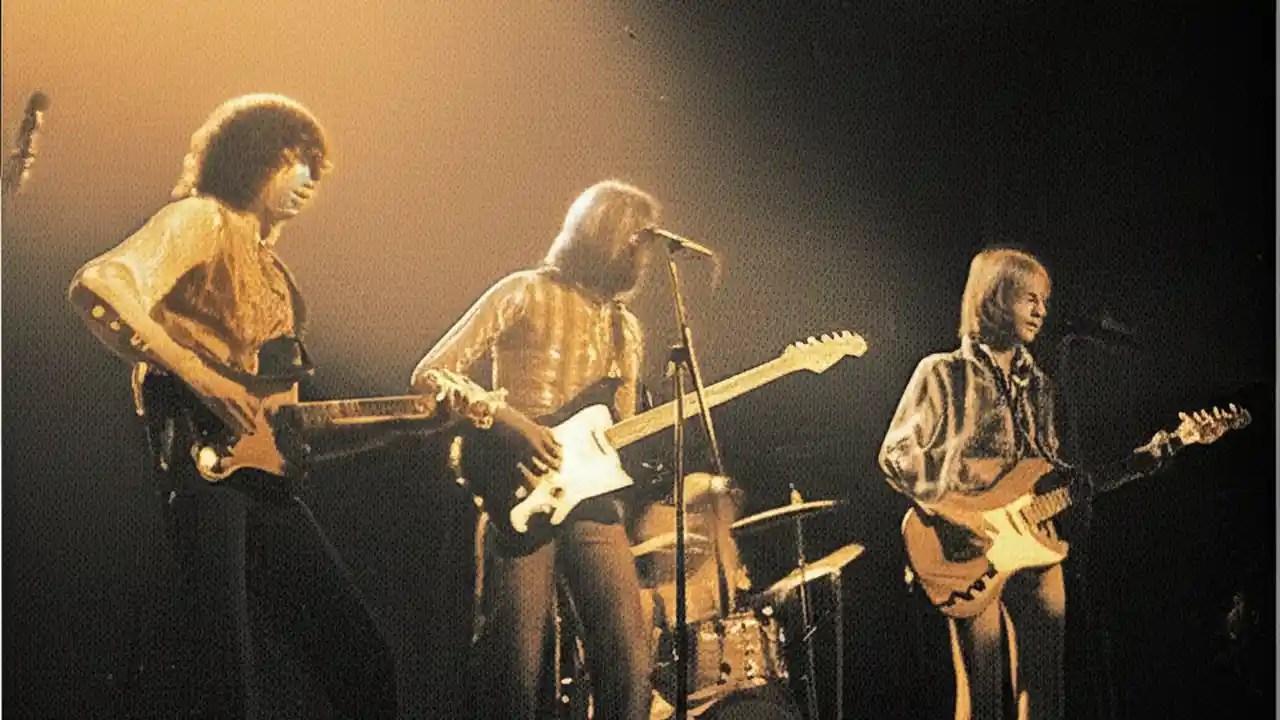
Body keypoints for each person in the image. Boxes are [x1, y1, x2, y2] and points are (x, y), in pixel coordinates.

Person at [66, 93, 519, 718]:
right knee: (222, 677)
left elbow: (293, 430)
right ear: (251, 157)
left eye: (314, 166)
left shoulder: (277, 276)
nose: (307, 179)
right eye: (293, 159)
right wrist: (203, 377)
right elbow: (98, 286)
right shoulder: (203, 219)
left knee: (365, 664)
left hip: (266, 487)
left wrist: (420, 422)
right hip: (203, 474)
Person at [411, 180, 660, 719]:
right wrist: (509, 419)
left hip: (591, 499)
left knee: (629, 659)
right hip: (518, 485)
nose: (643, 255)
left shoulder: (626, 329)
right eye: (635, 239)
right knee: (514, 664)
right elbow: (432, 373)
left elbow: (624, 426)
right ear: (603, 233)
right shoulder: (523, 291)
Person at [879, 248, 1068, 719]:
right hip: (963, 546)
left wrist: (1148, 457)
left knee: (1046, 683)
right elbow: (897, 454)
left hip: (1031, 539)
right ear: (994, 298)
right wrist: (958, 513)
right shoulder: (943, 373)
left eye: (1044, 300)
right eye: (1029, 298)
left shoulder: (1040, 385)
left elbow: (1047, 464)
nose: (1041, 310)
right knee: (981, 688)